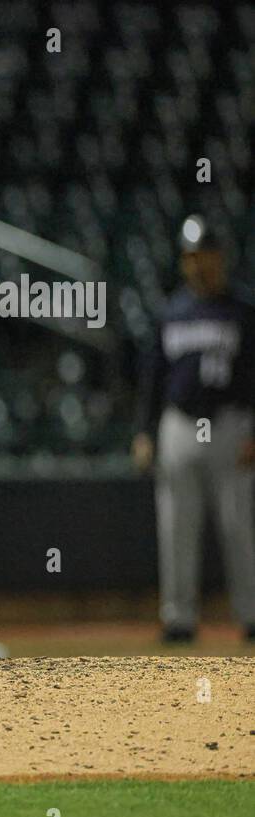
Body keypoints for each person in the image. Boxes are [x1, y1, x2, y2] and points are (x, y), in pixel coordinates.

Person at [131, 213, 255, 644]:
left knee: (238, 523)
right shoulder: (171, 312)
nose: (197, 263)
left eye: (203, 254)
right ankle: (179, 618)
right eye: (190, 256)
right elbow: (153, 378)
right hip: (179, 424)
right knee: (176, 525)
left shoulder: (242, 310)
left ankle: (251, 615)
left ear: (220, 256)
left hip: (230, 424)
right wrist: (145, 431)